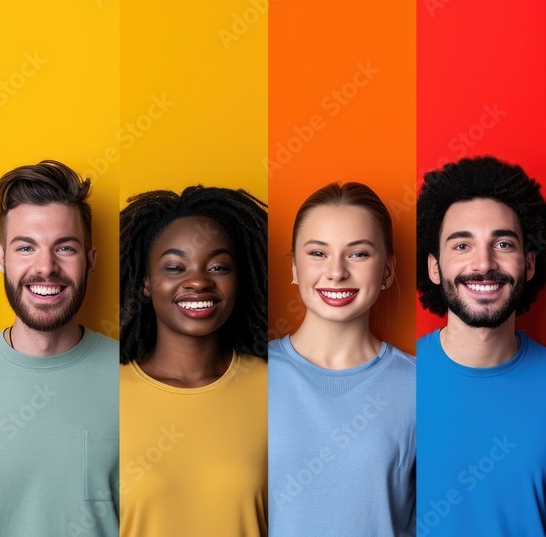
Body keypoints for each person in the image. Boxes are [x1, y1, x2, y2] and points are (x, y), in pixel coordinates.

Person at [0, 160, 118, 537]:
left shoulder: (133, 376)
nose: (46, 267)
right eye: (26, 247)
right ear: (1, 258)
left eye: (64, 248)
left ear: (91, 260)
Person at [119, 185, 268, 536]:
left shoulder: (275, 390)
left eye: (218, 267)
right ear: (146, 282)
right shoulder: (104, 396)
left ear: (239, 280)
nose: (198, 281)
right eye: (174, 267)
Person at [269, 182, 415, 536]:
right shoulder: (252, 374)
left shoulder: (422, 387)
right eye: (318, 253)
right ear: (294, 268)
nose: (336, 272)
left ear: (388, 271)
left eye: (358, 254)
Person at [415, 156, 546, 536]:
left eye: (502, 244)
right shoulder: (394, 382)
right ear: (435, 268)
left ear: (529, 264)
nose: (484, 264)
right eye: (462, 245)